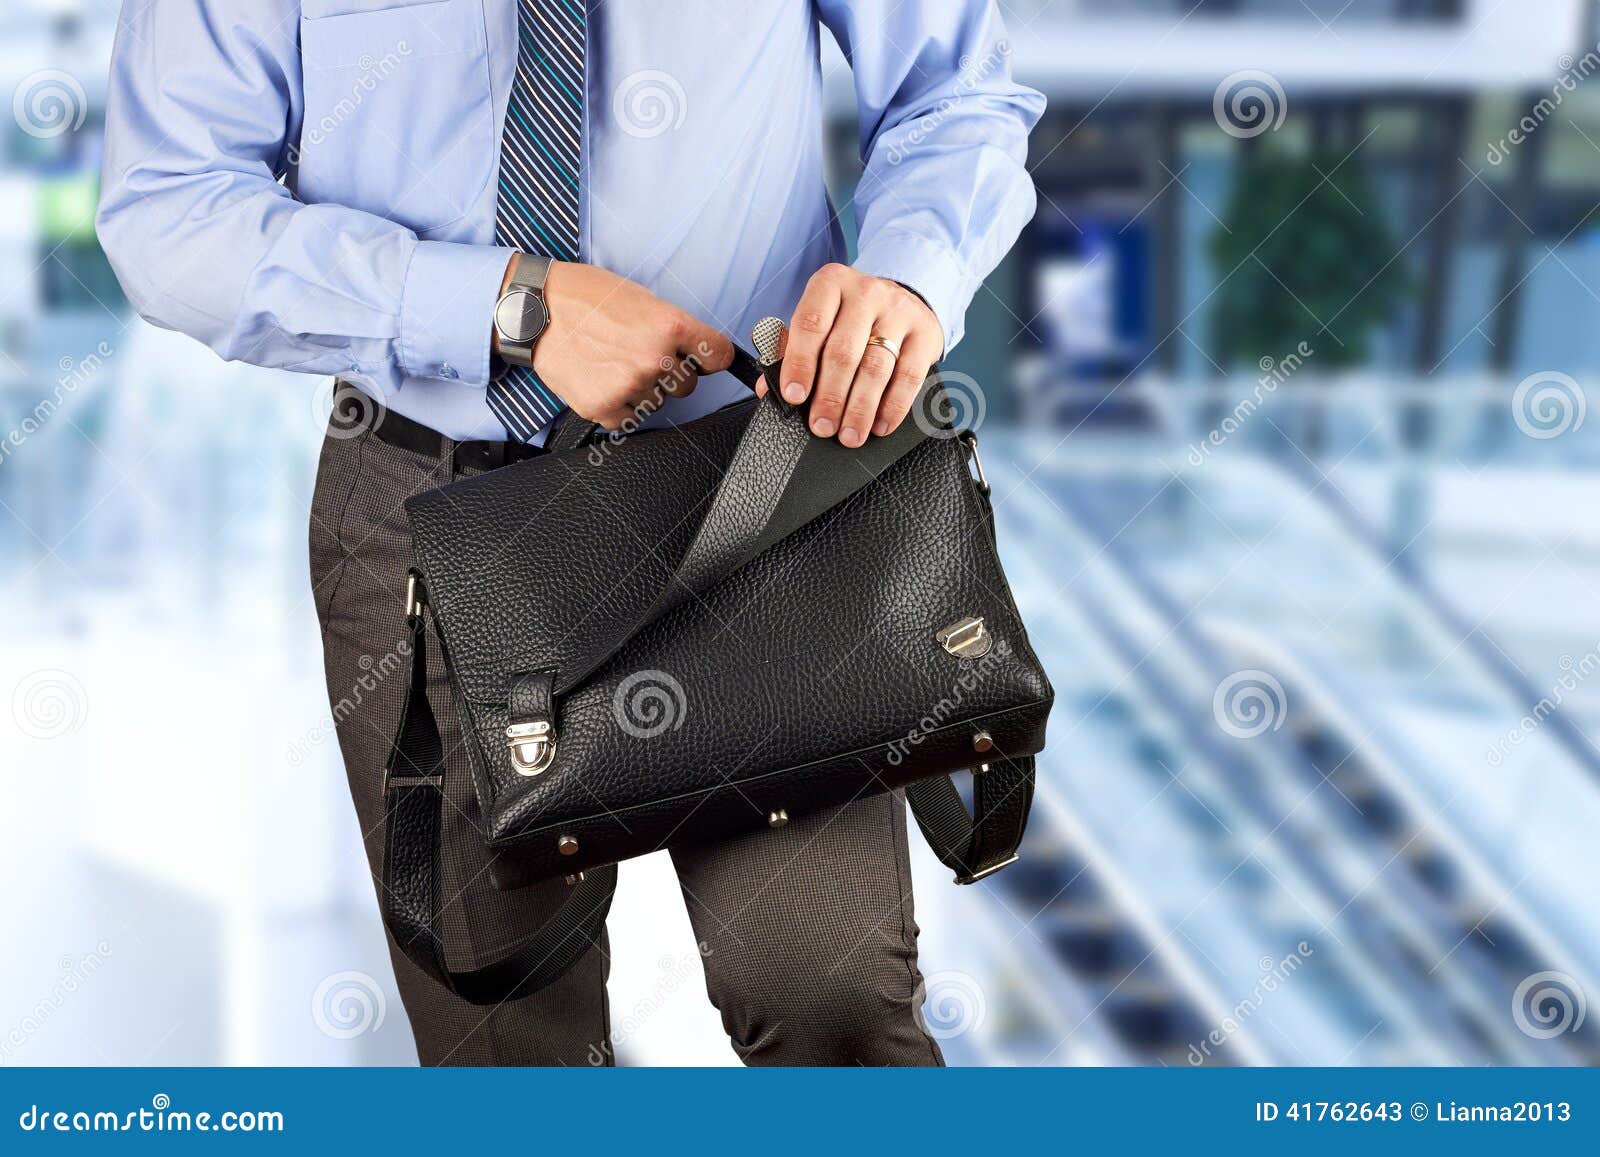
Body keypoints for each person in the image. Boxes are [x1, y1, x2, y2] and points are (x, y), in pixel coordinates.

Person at [96, 0, 1043, 1066]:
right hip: (432, 518)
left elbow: (953, 91)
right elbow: (168, 207)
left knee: (835, 1019)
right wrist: (503, 303)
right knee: (503, 1056)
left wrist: (911, 272)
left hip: (749, 491)